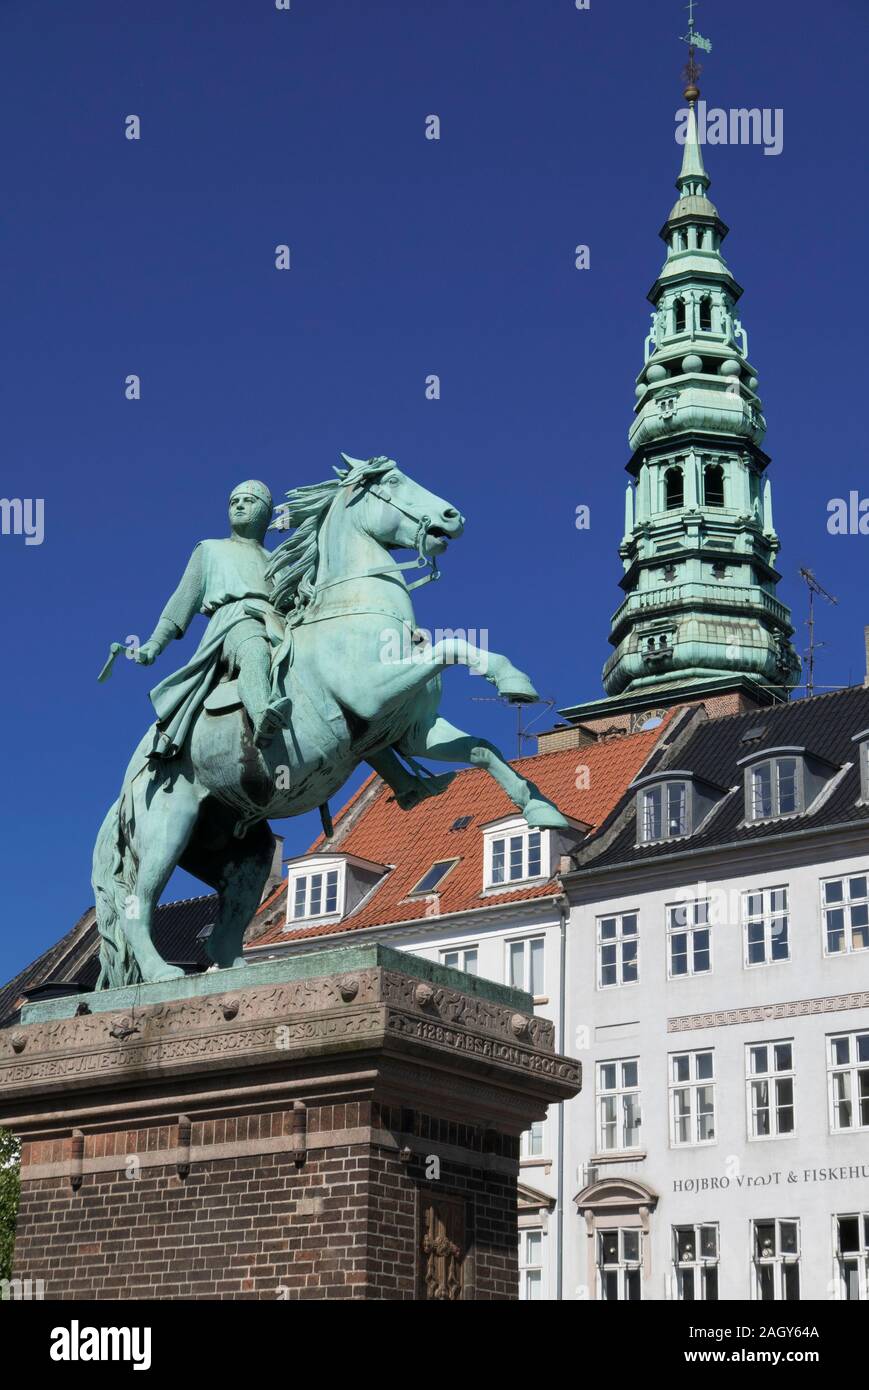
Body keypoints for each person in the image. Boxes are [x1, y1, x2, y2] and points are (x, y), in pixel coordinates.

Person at [136, 481, 290, 754]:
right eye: (234, 502)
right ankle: (262, 713)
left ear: (265, 512)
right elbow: (182, 600)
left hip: (277, 622)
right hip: (235, 620)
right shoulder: (210, 549)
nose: (239, 506)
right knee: (254, 649)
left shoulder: (277, 559)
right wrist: (154, 643)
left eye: (248, 501)